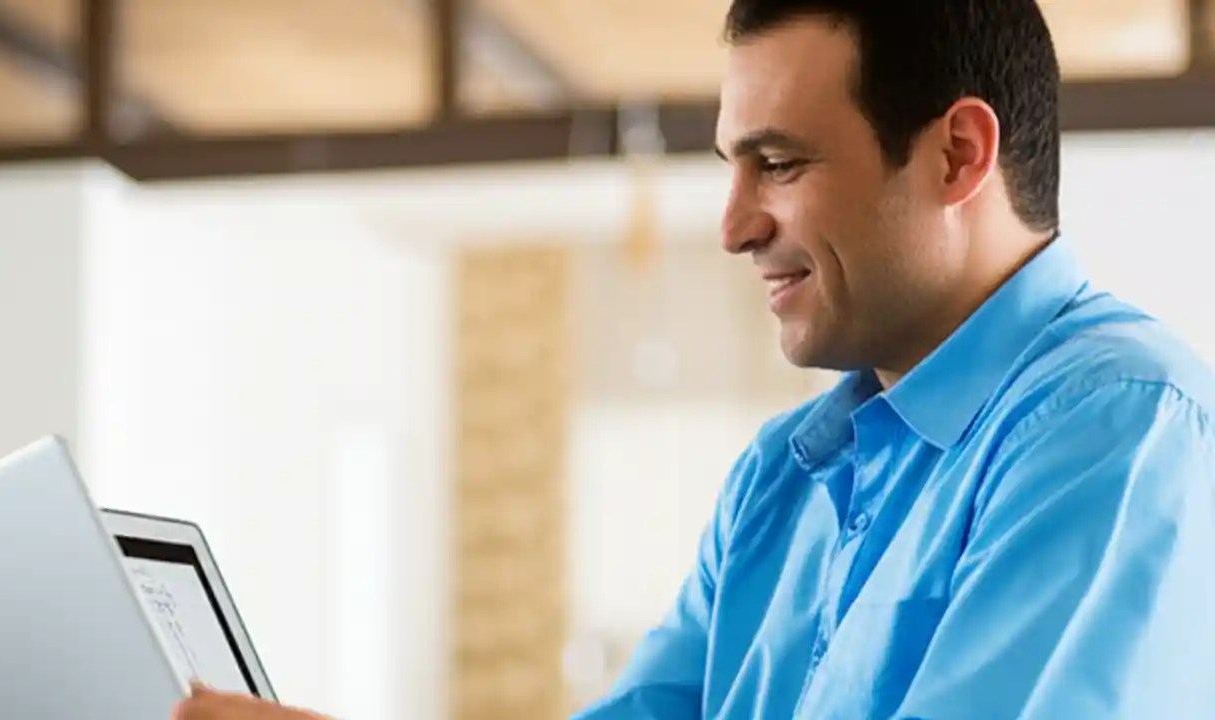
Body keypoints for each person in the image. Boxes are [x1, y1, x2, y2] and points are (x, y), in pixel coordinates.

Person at [172, 1, 1215, 719]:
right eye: (732, 168)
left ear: (957, 155)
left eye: (779, 164)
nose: (732, 226)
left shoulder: (1117, 426)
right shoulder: (777, 480)